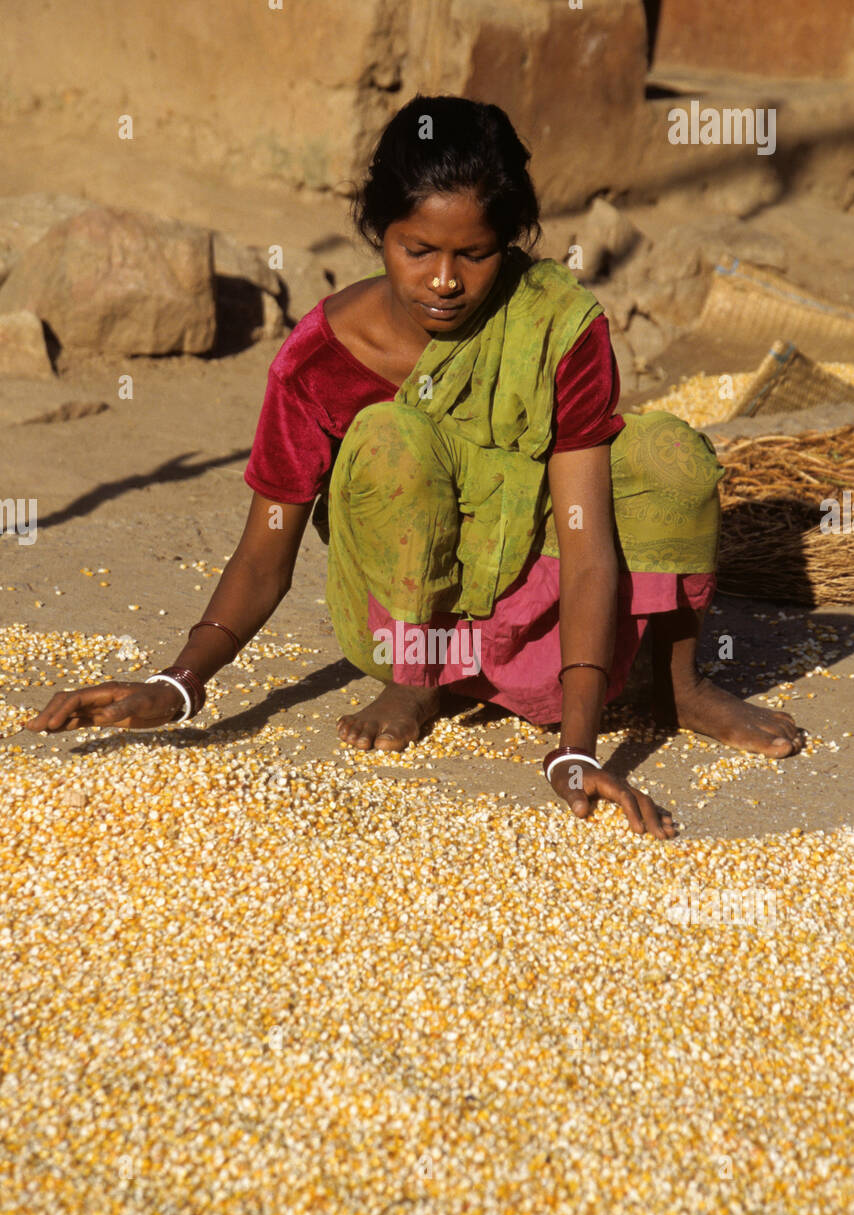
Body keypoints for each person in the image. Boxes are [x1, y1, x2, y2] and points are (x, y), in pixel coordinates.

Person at [26, 95, 803, 837]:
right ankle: (418, 675)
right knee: (393, 438)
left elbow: (588, 540)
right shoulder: (319, 361)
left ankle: (678, 684)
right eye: (418, 249)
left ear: (512, 242)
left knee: (668, 454)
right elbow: (266, 553)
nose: (444, 280)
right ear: (378, 231)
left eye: (475, 254)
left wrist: (575, 748)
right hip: (410, 607)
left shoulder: (556, 326)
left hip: (542, 570)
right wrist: (179, 682)